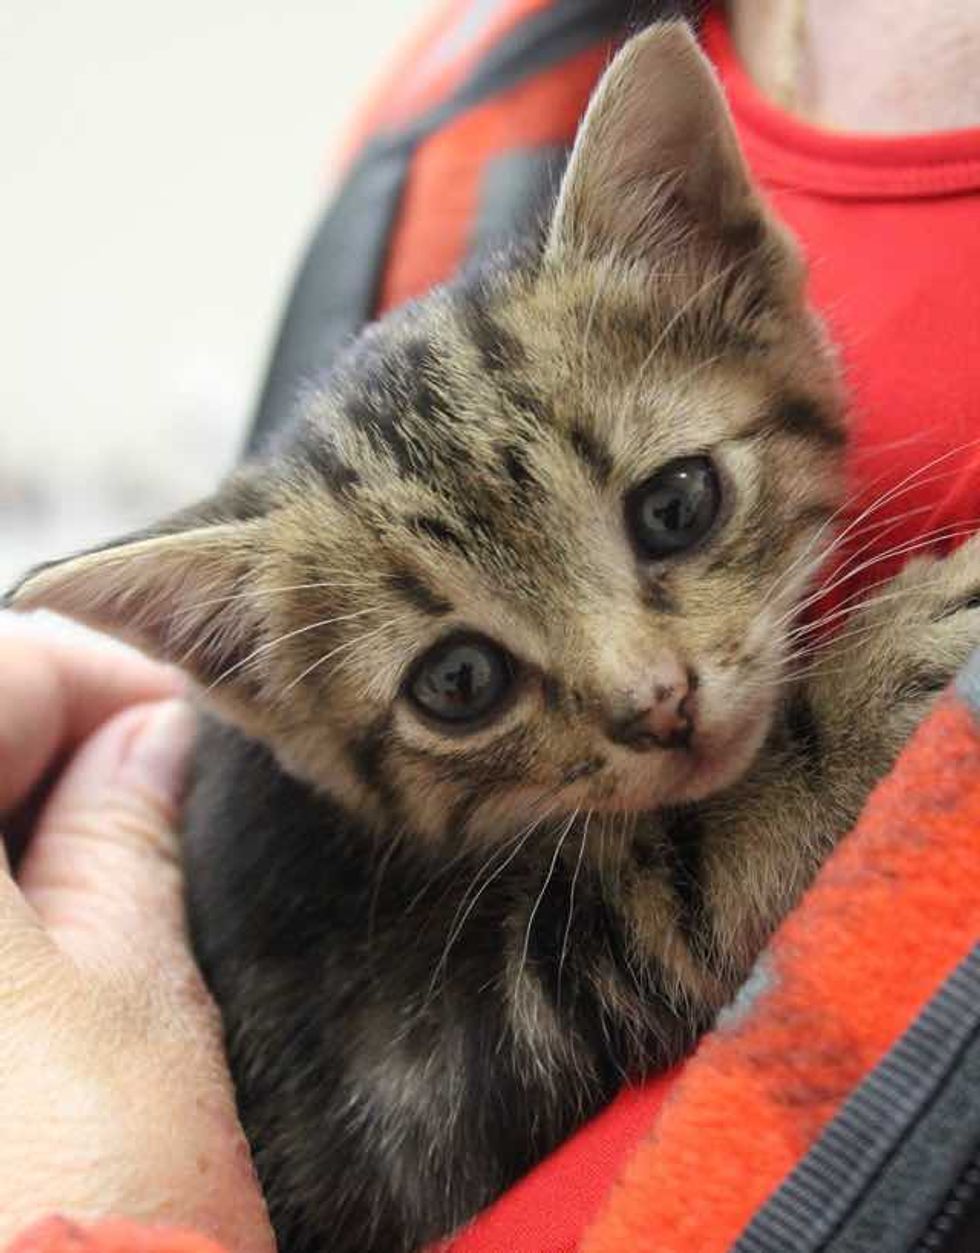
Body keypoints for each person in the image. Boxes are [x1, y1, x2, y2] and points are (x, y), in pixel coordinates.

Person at [3, 0, 980, 1250]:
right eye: (462, 681)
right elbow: (414, 1102)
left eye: (673, 511)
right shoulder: (463, 97)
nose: (645, 688)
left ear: (733, 272)